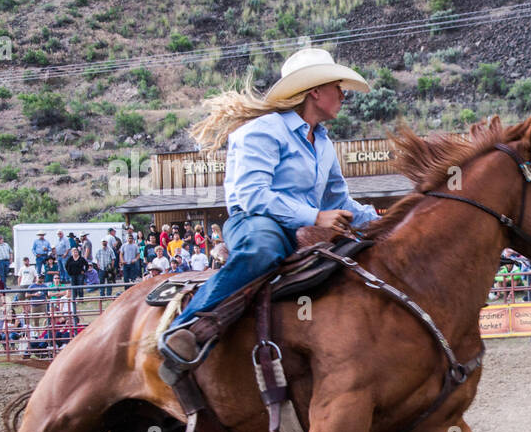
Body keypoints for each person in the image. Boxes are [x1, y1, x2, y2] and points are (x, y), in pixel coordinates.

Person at [159, 48, 378, 371]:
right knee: (262, 250)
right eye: (337, 87)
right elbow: (253, 194)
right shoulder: (263, 130)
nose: (343, 95)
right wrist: (315, 216)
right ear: (315, 91)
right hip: (255, 221)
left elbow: (338, 203)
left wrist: (384, 221)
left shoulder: (325, 144)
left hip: (300, 227)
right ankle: (186, 328)